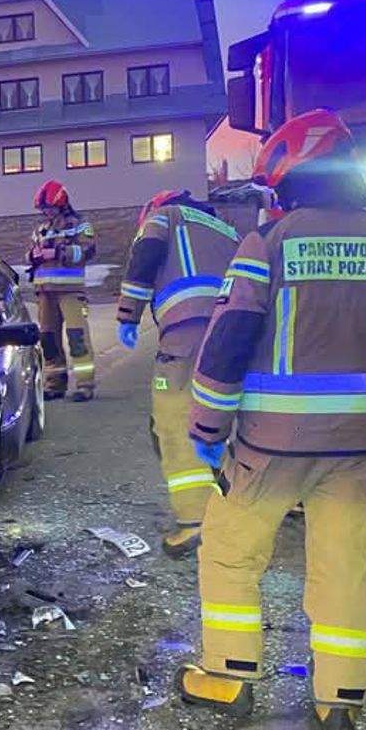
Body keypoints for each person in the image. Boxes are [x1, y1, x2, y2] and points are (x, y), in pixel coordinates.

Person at [175, 109, 366, 730]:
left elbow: (229, 341)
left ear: (291, 175)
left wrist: (207, 426)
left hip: (267, 447)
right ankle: (339, 700)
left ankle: (230, 676)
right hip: (361, 448)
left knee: (231, 555)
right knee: (344, 565)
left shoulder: (269, 243)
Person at [116, 188, 242, 557]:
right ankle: (269, 500)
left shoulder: (164, 217)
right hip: (240, 327)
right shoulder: (225, 229)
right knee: (239, 417)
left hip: (190, 326)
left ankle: (196, 521)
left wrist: (128, 314)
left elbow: (146, 257)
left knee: (174, 422)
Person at [27, 180, 97, 401]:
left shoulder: (79, 225)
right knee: (48, 339)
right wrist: (34, 256)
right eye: (43, 209)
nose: (45, 212)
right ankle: (54, 384)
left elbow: (86, 251)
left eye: (49, 208)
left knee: (77, 336)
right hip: (45, 293)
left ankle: (85, 384)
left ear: (60, 204)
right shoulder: (40, 229)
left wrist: (57, 252)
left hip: (70, 291)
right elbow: (29, 253)